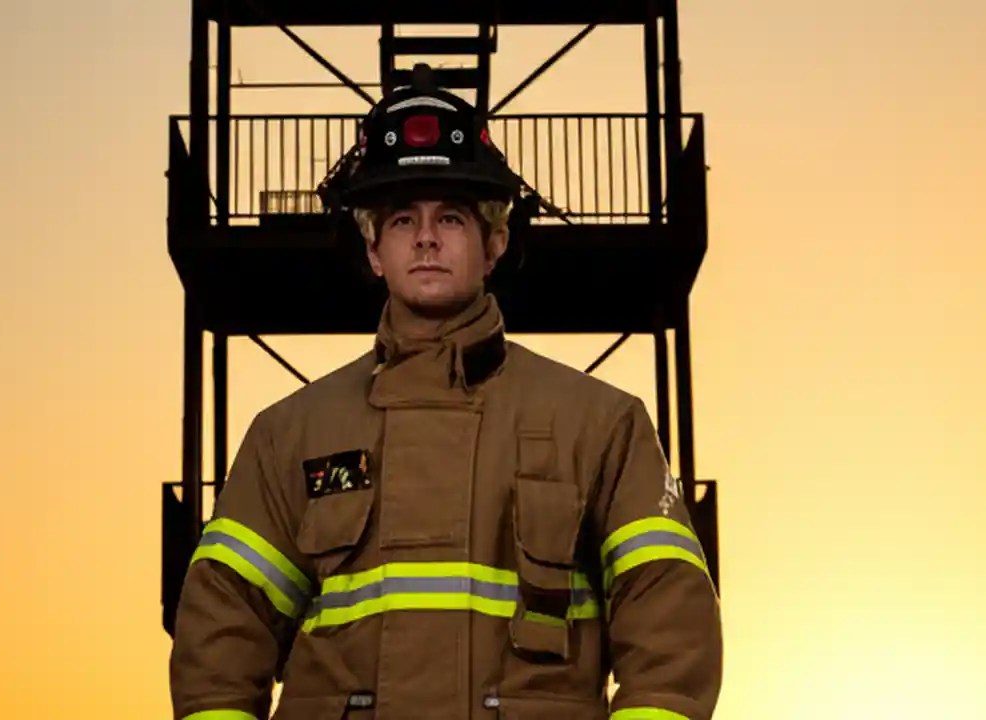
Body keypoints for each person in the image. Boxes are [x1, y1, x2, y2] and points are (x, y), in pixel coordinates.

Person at [168, 72, 723, 720]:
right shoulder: (289, 436)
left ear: (495, 243)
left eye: (451, 217)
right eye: (403, 218)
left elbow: (671, 634)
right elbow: (220, 641)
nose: (426, 237)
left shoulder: (601, 425)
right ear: (373, 247)